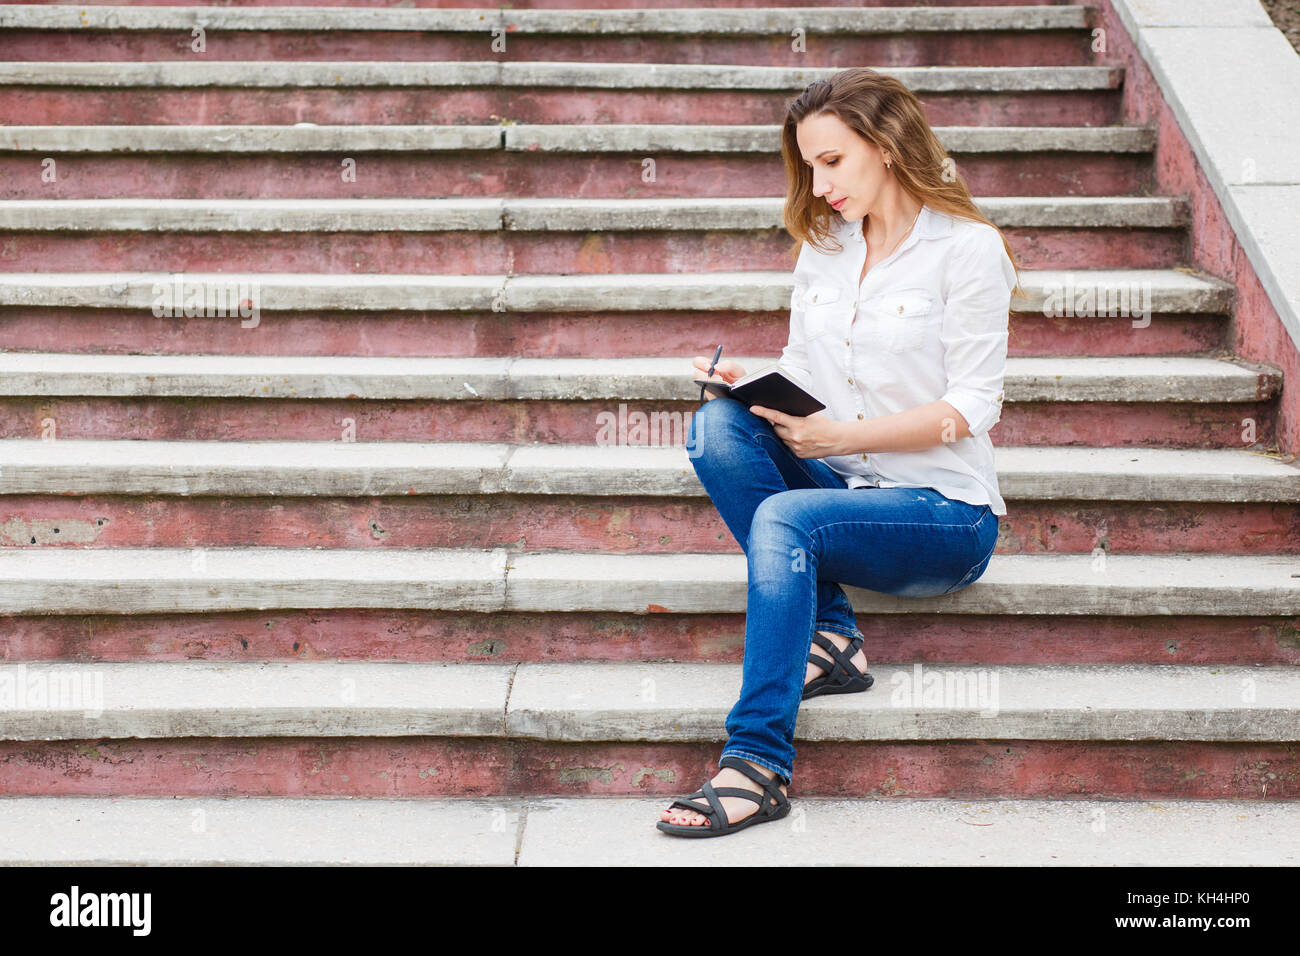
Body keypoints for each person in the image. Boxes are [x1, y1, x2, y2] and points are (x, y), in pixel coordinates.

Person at [659, 67, 1021, 838]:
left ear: (886, 148)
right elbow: (809, 373)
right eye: (808, 165)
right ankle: (834, 637)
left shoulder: (968, 250)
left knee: (789, 521)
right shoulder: (824, 247)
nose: (818, 184)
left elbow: (974, 406)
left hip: (942, 515)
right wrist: (748, 383)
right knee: (714, 429)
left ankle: (756, 763)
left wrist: (845, 439)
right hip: (842, 485)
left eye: (832, 162)